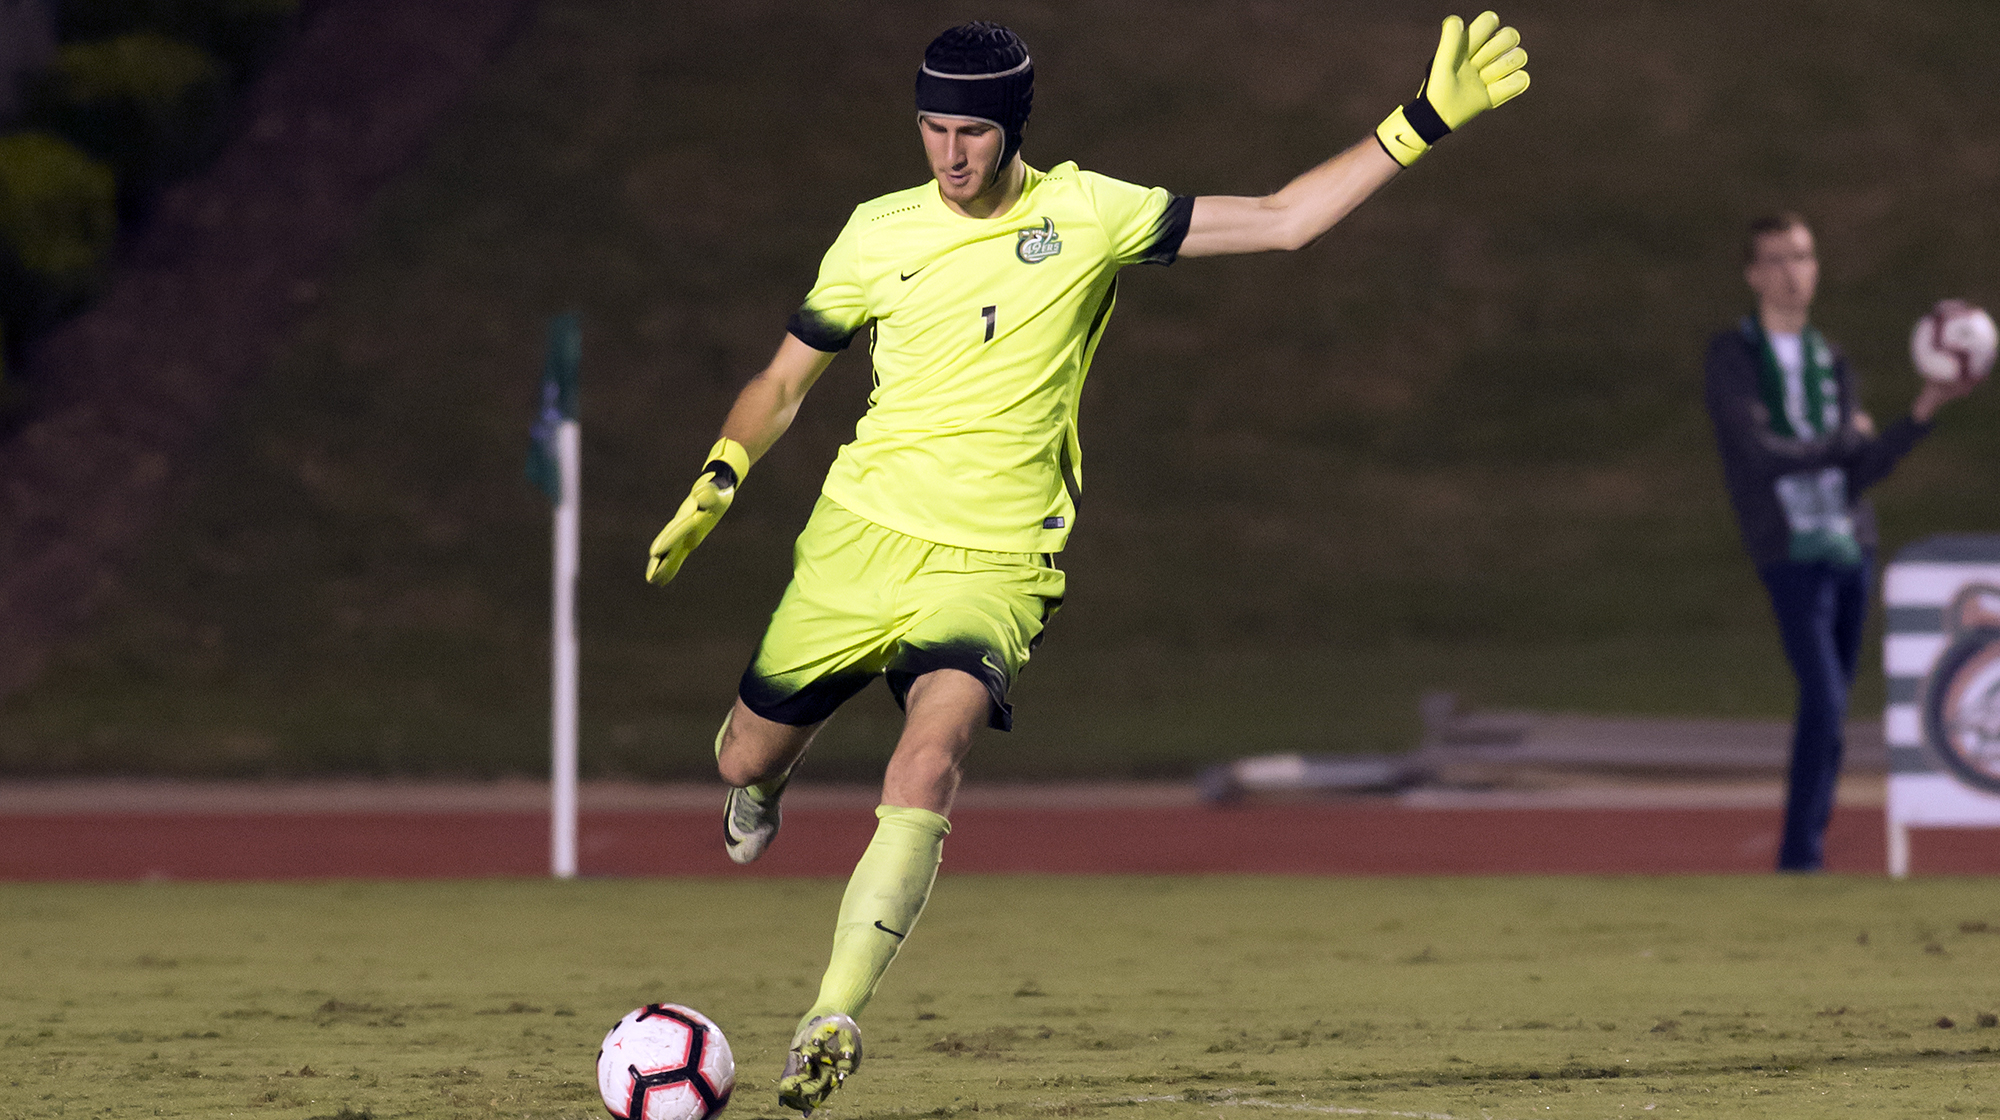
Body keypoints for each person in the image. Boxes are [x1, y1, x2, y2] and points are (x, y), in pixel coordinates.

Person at [646, 15, 1528, 1114]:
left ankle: (831, 1015)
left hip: (995, 563)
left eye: (971, 131)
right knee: (737, 758)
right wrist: (720, 473)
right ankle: (765, 784)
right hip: (855, 543)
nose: (949, 155)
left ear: (1013, 129)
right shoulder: (875, 232)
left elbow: (1282, 219)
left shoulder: (1088, 213)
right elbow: (782, 381)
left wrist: (1423, 120)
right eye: (931, 129)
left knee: (926, 765)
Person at [1704, 213, 1978, 872]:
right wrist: (1839, 442)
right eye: (1774, 260)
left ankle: (1807, 850)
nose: (1790, 273)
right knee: (1824, 700)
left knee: (1829, 711)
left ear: (1815, 268)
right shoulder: (1733, 357)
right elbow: (1757, 455)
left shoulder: (1833, 359)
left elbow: (1858, 471)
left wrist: (1921, 413)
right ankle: (1799, 857)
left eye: (1800, 257)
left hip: (1850, 546)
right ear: (1752, 275)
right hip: (1789, 549)